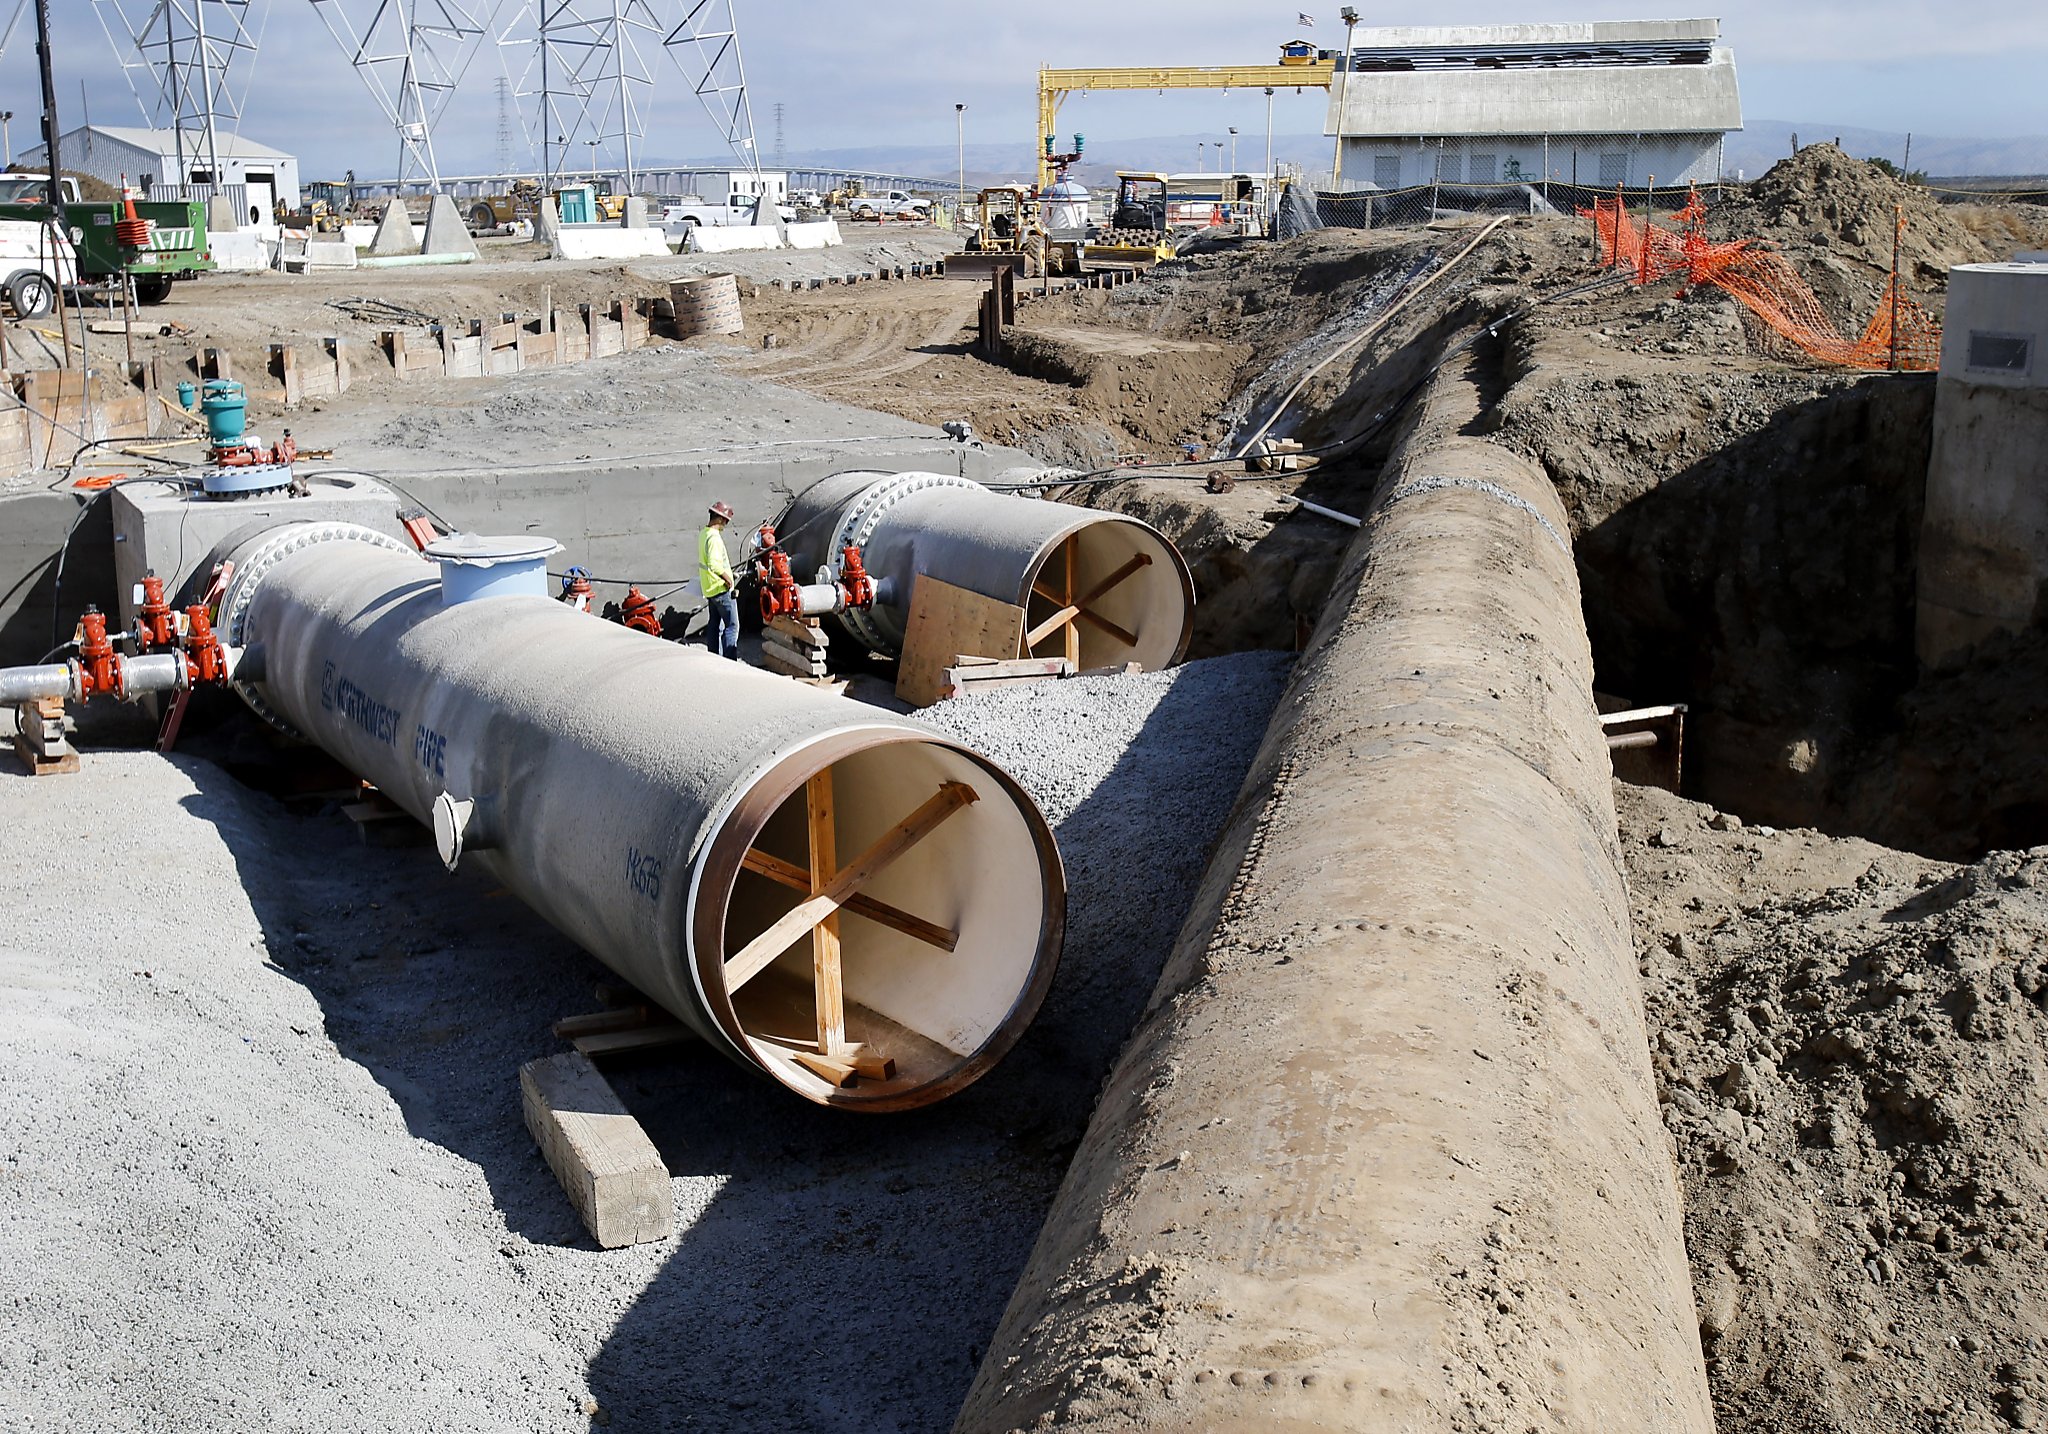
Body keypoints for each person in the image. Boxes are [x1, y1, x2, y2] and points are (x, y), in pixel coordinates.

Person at [699, 501, 740, 660]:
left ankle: (713, 658)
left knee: (714, 625)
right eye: (726, 521)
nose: (725, 525)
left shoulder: (704, 533)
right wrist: (728, 579)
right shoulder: (714, 538)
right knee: (732, 626)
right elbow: (714, 564)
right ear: (720, 519)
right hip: (721, 589)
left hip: (710, 589)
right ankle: (730, 662)